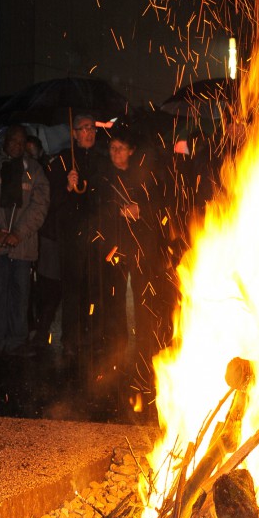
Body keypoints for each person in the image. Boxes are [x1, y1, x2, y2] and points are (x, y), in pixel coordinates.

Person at [99, 123, 165, 412]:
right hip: (115, 254)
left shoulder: (144, 177)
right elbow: (97, 216)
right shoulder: (105, 179)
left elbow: (161, 208)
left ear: (131, 151)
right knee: (115, 312)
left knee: (142, 311)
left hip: (142, 254)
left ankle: (144, 366)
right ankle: (117, 366)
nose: (116, 153)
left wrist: (141, 211)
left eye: (121, 148)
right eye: (112, 148)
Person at [0, 124, 49, 359]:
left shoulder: (34, 170)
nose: (16, 145)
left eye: (21, 142)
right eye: (12, 141)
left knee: (20, 293)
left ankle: (16, 341)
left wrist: (18, 233)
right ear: (4, 141)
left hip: (22, 246)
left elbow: (40, 206)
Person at [47, 113, 108, 360]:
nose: (89, 132)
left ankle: (92, 337)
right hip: (71, 236)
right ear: (73, 133)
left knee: (94, 287)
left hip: (95, 234)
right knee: (72, 288)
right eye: (83, 128)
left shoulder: (100, 161)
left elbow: (104, 195)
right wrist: (67, 187)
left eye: (92, 128)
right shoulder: (61, 161)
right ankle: (70, 338)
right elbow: (51, 201)